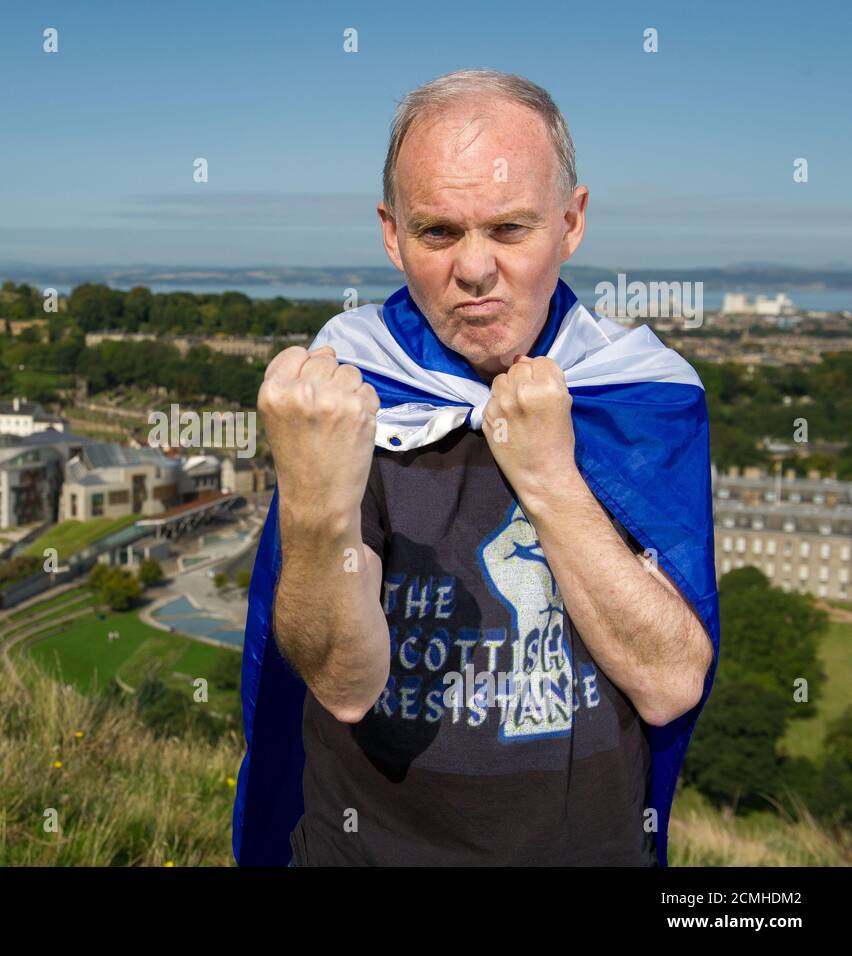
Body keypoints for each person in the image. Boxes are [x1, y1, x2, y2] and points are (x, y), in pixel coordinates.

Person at [233, 70, 719, 867]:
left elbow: (671, 682)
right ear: (392, 235)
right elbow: (343, 684)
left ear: (572, 221)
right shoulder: (351, 387)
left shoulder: (637, 392)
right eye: (438, 233)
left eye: (510, 229)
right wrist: (318, 516)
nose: (475, 269)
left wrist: (551, 479)